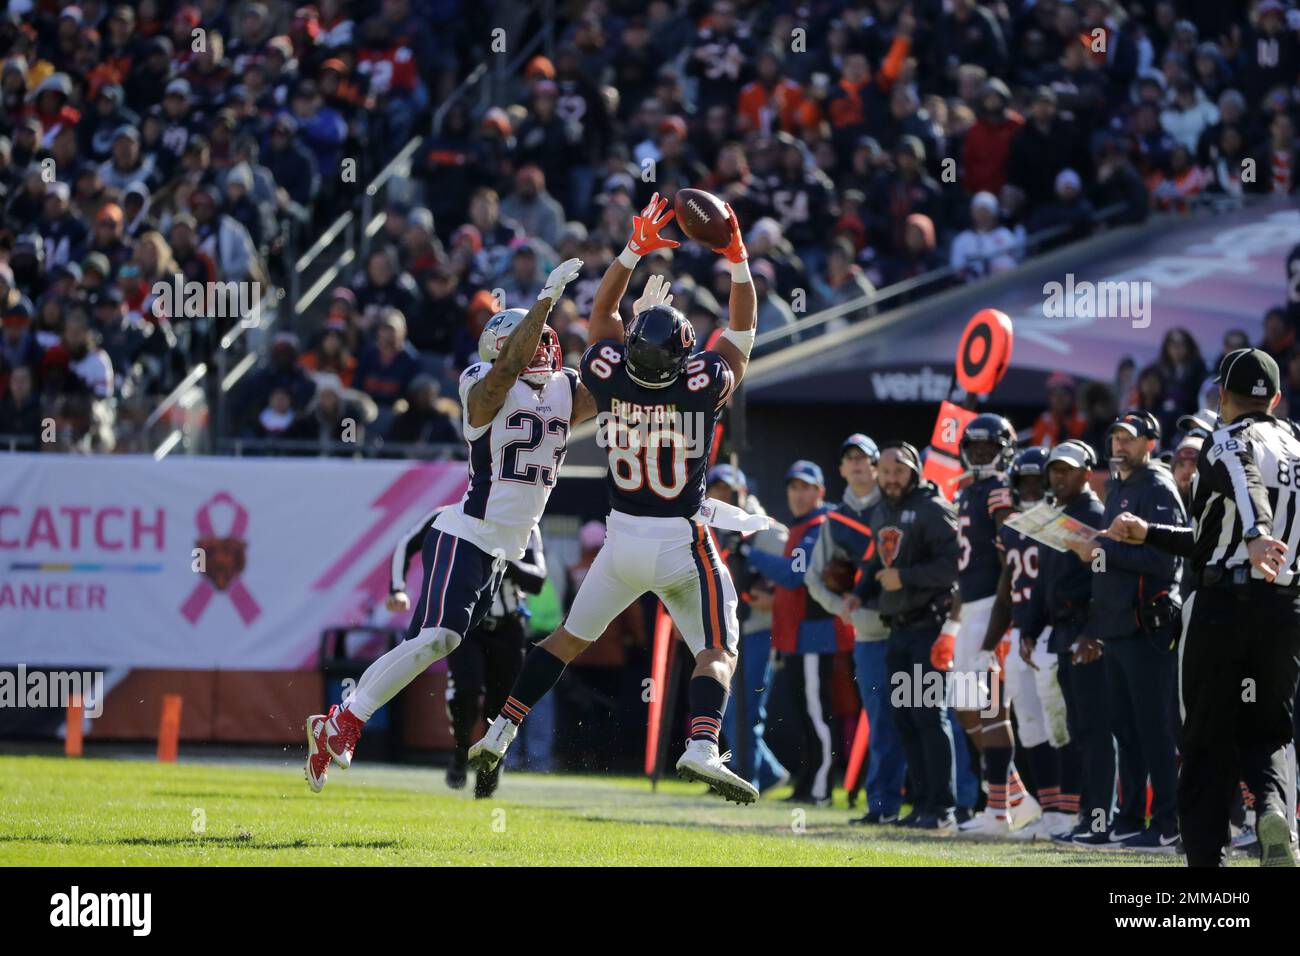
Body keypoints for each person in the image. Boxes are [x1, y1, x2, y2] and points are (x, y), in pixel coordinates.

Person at [468, 193, 763, 804]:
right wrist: (735, 257)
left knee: (566, 642)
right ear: (685, 357)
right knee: (717, 647)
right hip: (681, 538)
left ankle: (500, 731)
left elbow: (603, 310)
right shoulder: (702, 386)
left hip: (621, 537)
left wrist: (633, 249)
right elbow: (742, 329)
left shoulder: (606, 371)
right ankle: (703, 744)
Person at [304, 256, 591, 791]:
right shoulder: (479, 381)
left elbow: (616, 384)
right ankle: (342, 723)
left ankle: (340, 722)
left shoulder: (562, 389)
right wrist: (545, 298)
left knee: (434, 644)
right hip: (466, 534)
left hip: (501, 552)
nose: (545, 346)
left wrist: (628, 317)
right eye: (533, 337)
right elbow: (504, 374)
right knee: (437, 637)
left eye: (545, 335)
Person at [1105, 348, 1300, 867]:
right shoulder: (1297, 444)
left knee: (1203, 739)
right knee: (1271, 731)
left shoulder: (1228, 439)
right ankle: (1275, 812)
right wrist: (1150, 533)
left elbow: (1243, 475)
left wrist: (1258, 532)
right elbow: (1208, 538)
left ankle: (1207, 869)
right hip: (1284, 607)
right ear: (1276, 399)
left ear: (1220, 396)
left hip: (1221, 606)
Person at [1069, 411, 1185, 851]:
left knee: (1154, 727)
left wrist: (1105, 549)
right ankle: (1133, 816)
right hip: (1116, 623)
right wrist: (1092, 551)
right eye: (1115, 437)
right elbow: (1112, 559)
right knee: (1125, 726)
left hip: (1146, 623)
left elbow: (1165, 562)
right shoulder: (1117, 485)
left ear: (1150, 443)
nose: (1120, 445)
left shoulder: (1156, 487)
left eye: (1129, 439)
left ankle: (1170, 821)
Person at [385, 506, 546, 798]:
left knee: (501, 704)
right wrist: (397, 588)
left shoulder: (524, 522)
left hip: (509, 626)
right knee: (466, 690)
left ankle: (490, 767)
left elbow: (538, 579)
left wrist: (504, 556)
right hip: (469, 625)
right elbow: (407, 542)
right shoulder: (451, 516)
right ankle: (460, 749)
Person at [845, 442, 960, 830]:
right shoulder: (883, 510)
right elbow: (879, 558)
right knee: (906, 719)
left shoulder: (933, 508)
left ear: (915, 471)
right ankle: (922, 804)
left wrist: (905, 579)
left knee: (929, 716)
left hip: (928, 629)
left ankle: (942, 807)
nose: (893, 478)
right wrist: (859, 593)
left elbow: (952, 568)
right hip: (898, 630)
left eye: (900, 471)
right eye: (887, 471)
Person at [806, 433, 907, 824]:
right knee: (881, 721)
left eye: (864, 458)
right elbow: (814, 579)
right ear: (842, 469)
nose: (858, 465)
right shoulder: (834, 520)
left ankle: (941, 803)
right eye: (850, 459)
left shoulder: (898, 504)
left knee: (924, 717)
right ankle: (883, 805)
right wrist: (844, 611)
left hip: (910, 626)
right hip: (869, 633)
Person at [949, 414, 1041, 835]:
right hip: (970, 608)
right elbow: (963, 564)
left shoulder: (999, 492)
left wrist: (1005, 615)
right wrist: (952, 624)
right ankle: (1015, 798)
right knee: (966, 703)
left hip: (991, 607)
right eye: (976, 448)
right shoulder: (969, 491)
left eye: (989, 448)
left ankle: (999, 810)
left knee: (991, 708)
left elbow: (1010, 555)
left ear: (1005, 449)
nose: (982, 455)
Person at [744, 460, 854, 805]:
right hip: (797, 635)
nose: (799, 494)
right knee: (807, 714)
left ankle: (820, 789)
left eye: (807, 487)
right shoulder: (802, 525)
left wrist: (750, 553)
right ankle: (808, 784)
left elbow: (794, 574)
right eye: (794, 487)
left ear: (820, 491)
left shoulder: (819, 524)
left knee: (817, 713)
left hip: (815, 634)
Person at [987, 446, 1079, 838]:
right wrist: (991, 639)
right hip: (1022, 631)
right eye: (1021, 482)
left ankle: (1072, 811)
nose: (1028, 489)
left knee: (1059, 722)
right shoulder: (1009, 529)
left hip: (1052, 629)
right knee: (1028, 723)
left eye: (1033, 481)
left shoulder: (1062, 519)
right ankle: (1050, 810)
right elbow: (1007, 587)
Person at [1021, 440, 1109, 845]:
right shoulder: (1059, 515)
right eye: (1054, 469)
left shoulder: (1096, 515)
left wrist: (1092, 631)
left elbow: (1105, 582)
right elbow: (1046, 582)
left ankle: (1099, 817)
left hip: (1084, 634)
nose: (1058, 476)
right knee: (1078, 729)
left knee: (1093, 729)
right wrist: (1029, 628)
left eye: (1068, 469)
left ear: (1087, 472)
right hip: (1061, 632)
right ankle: (1089, 816)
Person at [710, 464, 789, 794]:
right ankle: (765, 772)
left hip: (762, 630)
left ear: (742, 492)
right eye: (716, 492)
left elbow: (792, 582)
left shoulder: (769, 530)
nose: (721, 498)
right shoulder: (712, 529)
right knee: (727, 712)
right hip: (729, 633)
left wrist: (773, 599)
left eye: (728, 491)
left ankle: (750, 778)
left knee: (747, 712)